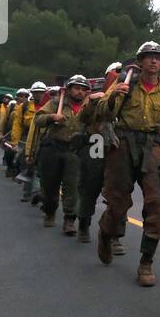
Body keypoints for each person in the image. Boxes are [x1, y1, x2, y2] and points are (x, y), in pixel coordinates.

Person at [92, 42, 160, 287]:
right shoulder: (126, 82)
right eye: (148, 57)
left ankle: (146, 262)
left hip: (153, 145)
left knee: (157, 203)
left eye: (158, 57)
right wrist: (114, 96)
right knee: (117, 202)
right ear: (140, 61)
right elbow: (102, 113)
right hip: (123, 143)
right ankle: (106, 232)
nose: (153, 61)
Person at [34, 75, 93, 234]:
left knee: (72, 186)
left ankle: (69, 219)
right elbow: (37, 119)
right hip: (52, 148)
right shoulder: (55, 102)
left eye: (83, 89)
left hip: (74, 151)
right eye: (77, 88)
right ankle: (50, 211)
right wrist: (52, 117)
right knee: (49, 185)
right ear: (69, 90)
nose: (80, 92)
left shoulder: (89, 106)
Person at [78, 63, 124, 250]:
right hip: (96, 143)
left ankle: (115, 235)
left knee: (119, 192)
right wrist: (91, 102)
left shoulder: (129, 91)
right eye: (115, 73)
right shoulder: (96, 93)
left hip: (118, 146)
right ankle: (83, 224)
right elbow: (83, 118)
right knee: (91, 186)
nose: (118, 76)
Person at [12, 83, 43, 201]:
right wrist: (15, 142)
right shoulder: (24, 106)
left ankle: (37, 191)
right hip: (27, 137)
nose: (38, 94)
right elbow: (17, 124)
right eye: (36, 92)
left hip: (42, 138)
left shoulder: (49, 105)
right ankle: (27, 192)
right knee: (27, 162)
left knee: (40, 165)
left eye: (41, 92)